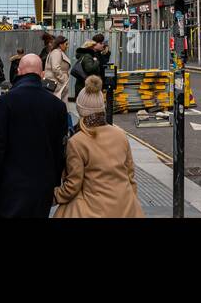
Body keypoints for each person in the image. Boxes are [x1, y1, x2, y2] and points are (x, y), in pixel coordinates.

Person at [0, 53, 69, 217]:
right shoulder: (58, 106)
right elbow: (60, 150)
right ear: (42, 75)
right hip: (42, 186)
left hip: (10, 185)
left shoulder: (5, 102)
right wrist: (54, 183)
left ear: (19, 72)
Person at [53, 75, 143, 218]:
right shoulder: (120, 135)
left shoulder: (77, 142)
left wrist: (54, 196)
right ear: (102, 108)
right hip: (125, 207)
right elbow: (130, 175)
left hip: (93, 209)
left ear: (80, 110)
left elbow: (73, 185)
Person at [45, 35, 71, 105]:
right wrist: (63, 80)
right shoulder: (56, 52)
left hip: (54, 82)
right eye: (66, 44)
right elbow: (55, 68)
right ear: (60, 44)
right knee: (57, 104)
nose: (67, 46)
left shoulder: (55, 52)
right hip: (56, 83)